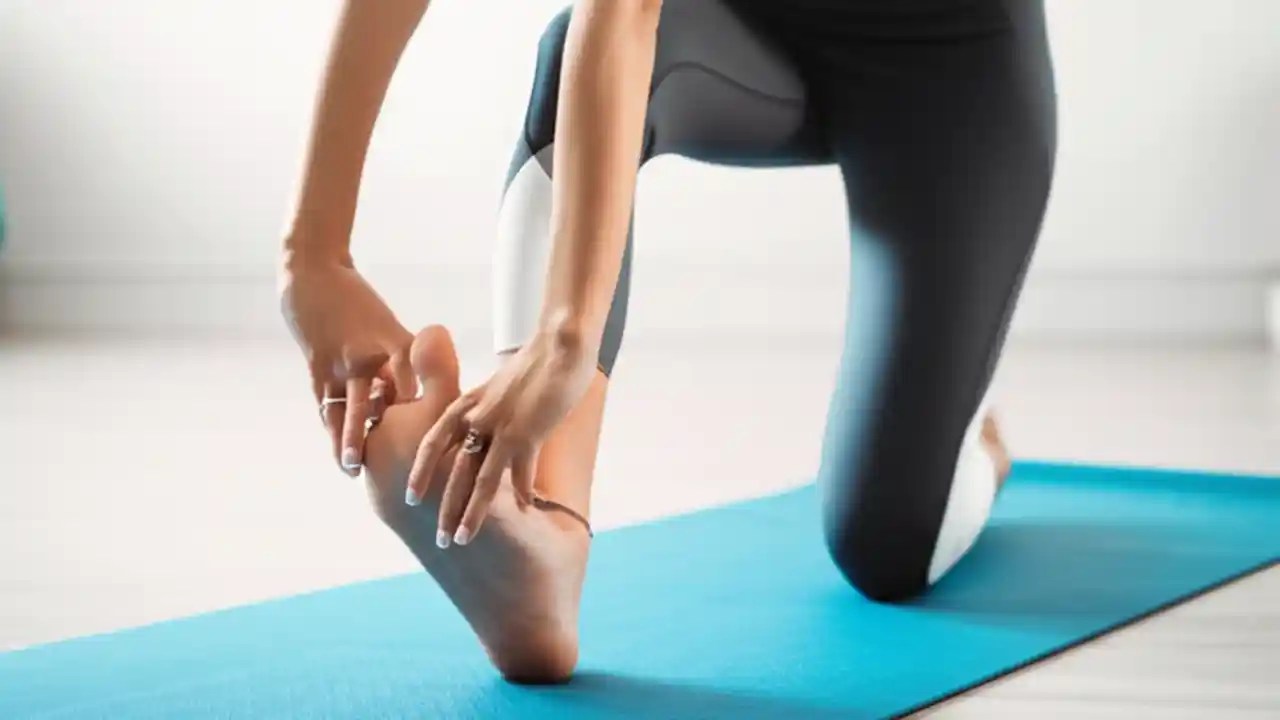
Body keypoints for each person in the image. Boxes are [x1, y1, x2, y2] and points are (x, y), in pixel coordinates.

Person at [280, 0, 1052, 684]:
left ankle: (977, 442)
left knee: (890, 550)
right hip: (754, 34)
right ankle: (538, 522)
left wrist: (567, 339)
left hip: (951, 60)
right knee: (568, 52)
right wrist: (312, 254)